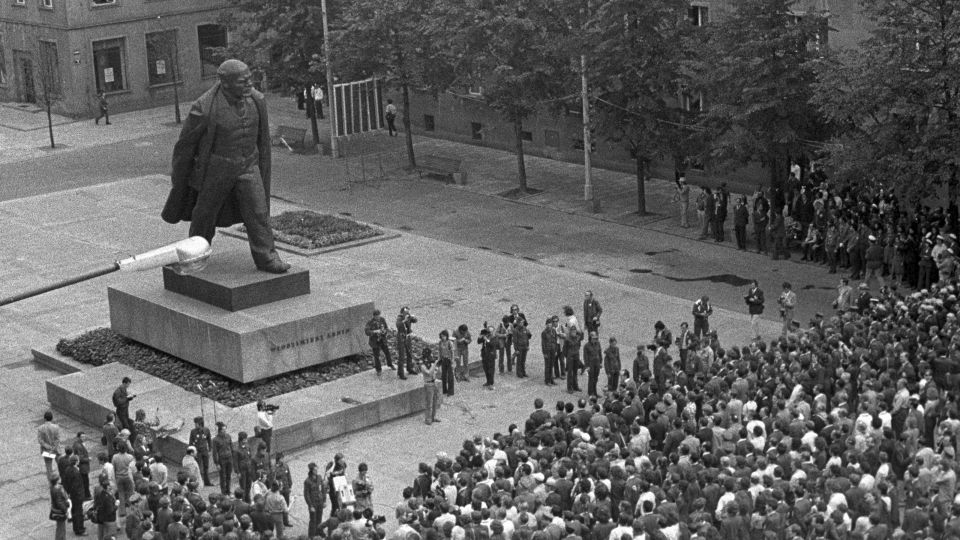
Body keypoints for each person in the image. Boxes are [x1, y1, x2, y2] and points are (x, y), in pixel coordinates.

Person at [162, 58, 290, 274]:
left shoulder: (257, 100)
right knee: (204, 215)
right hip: (217, 169)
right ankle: (194, 255)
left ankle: (267, 258)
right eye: (243, 81)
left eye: (249, 79)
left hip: (248, 166)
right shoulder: (204, 108)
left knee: (258, 212)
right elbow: (185, 146)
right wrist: (180, 179)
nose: (249, 84)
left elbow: (262, 140)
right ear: (225, 83)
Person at [62, 455, 86, 536]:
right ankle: (80, 529)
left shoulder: (68, 469)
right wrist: (80, 495)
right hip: (77, 495)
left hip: (72, 495)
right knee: (79, 513)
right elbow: (76, 486)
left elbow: (65, 482)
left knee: (74, 511)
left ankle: (76, 528)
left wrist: (68, 492)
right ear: (76, 462)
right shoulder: (76, 472)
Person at [365, 309, 393, 374]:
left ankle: (390, 364)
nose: (378, 317)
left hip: (382, 339)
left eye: (379, 316)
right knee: (376, 356)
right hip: (375, 341)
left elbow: (386, 328)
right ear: (374, 316)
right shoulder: (370, 322)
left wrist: (384, 331)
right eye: (377, 316)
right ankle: (378, 370)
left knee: (387, 352)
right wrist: (374, 331)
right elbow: (367, 332)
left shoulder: (382, 319)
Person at [93, 473, 118, 540]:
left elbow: (95, 501)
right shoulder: (107, 494)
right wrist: (116, 505)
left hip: (100, 515)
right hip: (108, 517)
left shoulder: (96, 488)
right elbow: (110, 509)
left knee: (101, 534)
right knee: (110, 535)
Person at [188, 416, 212, 486]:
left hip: (205, 451)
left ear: (200, 424)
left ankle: (207, 482)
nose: (195, 425)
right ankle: (198, 482)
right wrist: (191, 453)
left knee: (206, 467)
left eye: (196, 423)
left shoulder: (206, 430)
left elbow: (209, 440)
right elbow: (190, 443)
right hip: (197, 452)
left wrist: (210, 450)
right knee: (197, 467)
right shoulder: (193, 432)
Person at [212, 421, 234, 495]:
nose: (225, 431)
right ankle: (223, 492)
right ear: (220, 430)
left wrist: (233, 458)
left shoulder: (228, 436)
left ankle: (228, 490)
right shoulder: (215, 440)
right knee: (222, 477)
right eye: (223, 430)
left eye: (225, 429)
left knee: (229, 476)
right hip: (222, 460)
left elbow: (231, 447)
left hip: (229, 458)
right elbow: (214, 453)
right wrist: (217, 463)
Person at [304, 462, 326, 537]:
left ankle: (318, 531)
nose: (316, 471)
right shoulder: (307, 481)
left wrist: (324, 501)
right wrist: (310, 506)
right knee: (313, 520)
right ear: (311, 470)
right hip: (313, 503)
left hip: (320, 501)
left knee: (319, 518)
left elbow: (323, 489)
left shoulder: (319, 477)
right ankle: (311, 535)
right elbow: (306, 495)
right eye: (315, 470)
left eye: (317, 469)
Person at [38, 410, 61, 479]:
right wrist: (53, 448)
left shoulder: (40, 428)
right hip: (56, 450)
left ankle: (51, 482)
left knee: (49, 467)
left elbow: (40, 440)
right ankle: (63, 479)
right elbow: (57, 439)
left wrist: (48, 447)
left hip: (46, 450)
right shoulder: (56, 427)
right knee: (60, 465)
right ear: (52, 418)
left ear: (44, 419)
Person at [395, 306, 417, 379]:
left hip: (408, 336)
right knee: (401, 356)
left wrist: (413, 317)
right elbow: (398, 325)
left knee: (409, 353)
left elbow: (415, 321)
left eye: (408, 312)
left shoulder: (408, 317)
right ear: (402, 312)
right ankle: (400, 373)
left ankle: (409, 368)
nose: (407, 313)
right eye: (406, 312)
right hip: (401, 337)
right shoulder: (399, 318)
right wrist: (404, 320)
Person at [421, 349, 441, 424]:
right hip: (428, 384)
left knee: (435, 401)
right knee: (429, 403)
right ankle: (428, 419)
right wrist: (435, 364)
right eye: (430, 355)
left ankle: (433, 417)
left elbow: (436, 372)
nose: (431, 356)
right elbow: (429, 373)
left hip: (434, 383)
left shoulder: (431, 364)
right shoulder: (423, 365)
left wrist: (437, 365)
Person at [49, 475, 69, 540]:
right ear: (57, 481)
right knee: (61, 527)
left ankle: (62, 538)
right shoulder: (57, 490)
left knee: (61, 527)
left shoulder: (53, 488)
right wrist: (65, 510)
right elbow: (59, 502)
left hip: (56, 510)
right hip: (59, 511)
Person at [541, 317, 559, 386]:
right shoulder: (544, 333)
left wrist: (556, 350)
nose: (549, 325)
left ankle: (551, 379)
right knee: (547, 366)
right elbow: (543, 344)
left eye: (550, 324)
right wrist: (544, 353)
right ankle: (547, 380)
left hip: (553, 350)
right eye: (548, 324)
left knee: (551, 365)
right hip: (547, 351)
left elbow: (555, 340)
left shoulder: (553, 331)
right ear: (546, 325)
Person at [478, 324, 497, 388]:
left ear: (493, 331)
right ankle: (488, 381)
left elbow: (492, 345)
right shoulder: (486, 335)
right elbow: (478, 342)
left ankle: (491, 383)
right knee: (485, 369)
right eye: (489, 331)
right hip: (484, 355)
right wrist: (480, 336)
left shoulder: (494, 337)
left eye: (491, 331)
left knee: (491, 370)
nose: (490, 332)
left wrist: (486, 340)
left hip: (491, 355)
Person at [438, 329, 455, 396]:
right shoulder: (440, 342)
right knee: (443, 375)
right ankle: (444, 390)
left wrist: (452, 361)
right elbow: (439, 351)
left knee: (450, 376)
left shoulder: (449, 343)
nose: (443, 338)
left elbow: (452, 352)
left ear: (447, 336)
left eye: (444, 336)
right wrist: (439, 359)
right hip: (443, 360)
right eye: (442, 336)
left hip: (449, 360)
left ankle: (450, 391)